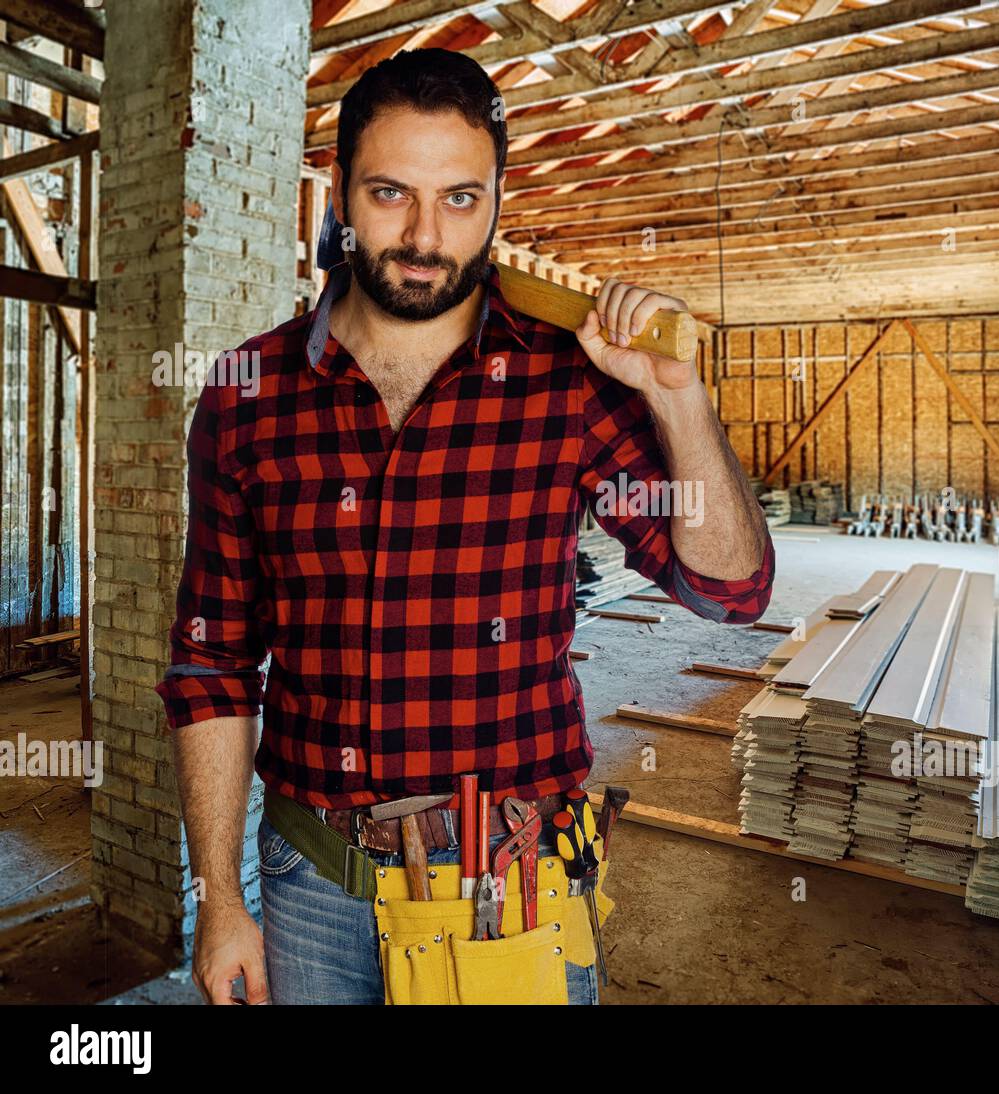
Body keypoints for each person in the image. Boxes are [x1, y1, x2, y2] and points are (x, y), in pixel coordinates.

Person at [155, 46, 775, 1005]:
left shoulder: (565, 381)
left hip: (510, 889)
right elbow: (211, 668)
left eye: (459, 199)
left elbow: (732, 591)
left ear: (497, 201)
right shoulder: (248, 395)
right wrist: (219, 899)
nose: (422, 235)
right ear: (339, 198)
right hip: (310, 881)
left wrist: (680, 406)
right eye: (390, 192)